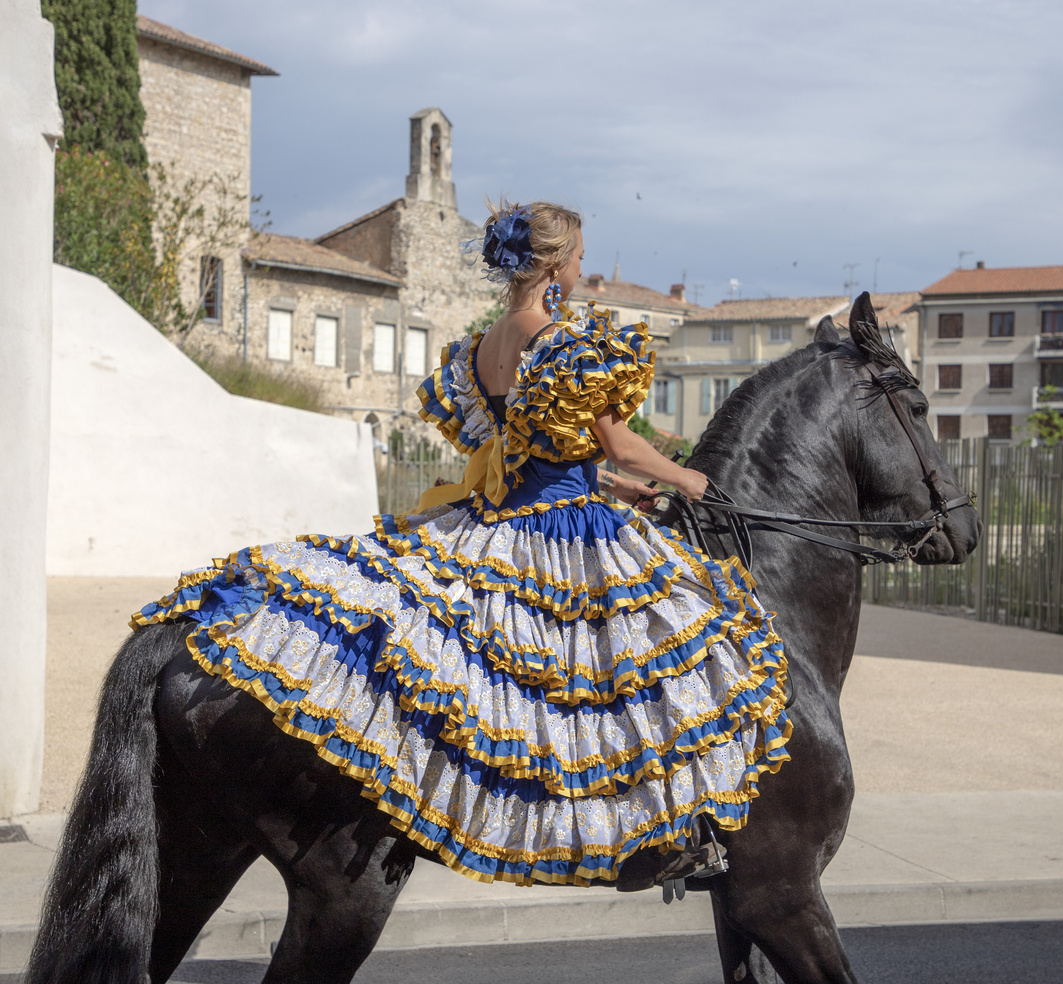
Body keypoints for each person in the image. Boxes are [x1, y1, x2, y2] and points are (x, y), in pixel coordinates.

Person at [133, 200, 791, 889]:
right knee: (657, 655)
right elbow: (618, 441)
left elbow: (535, 450)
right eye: (579, 255)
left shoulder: (488, 344)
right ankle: (653, 837)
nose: (584, 266)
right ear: (554, 263)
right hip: (555, 534)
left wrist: (617, 489)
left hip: (504, 516)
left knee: (536, 683)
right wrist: (686, 475)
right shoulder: (562, 339)